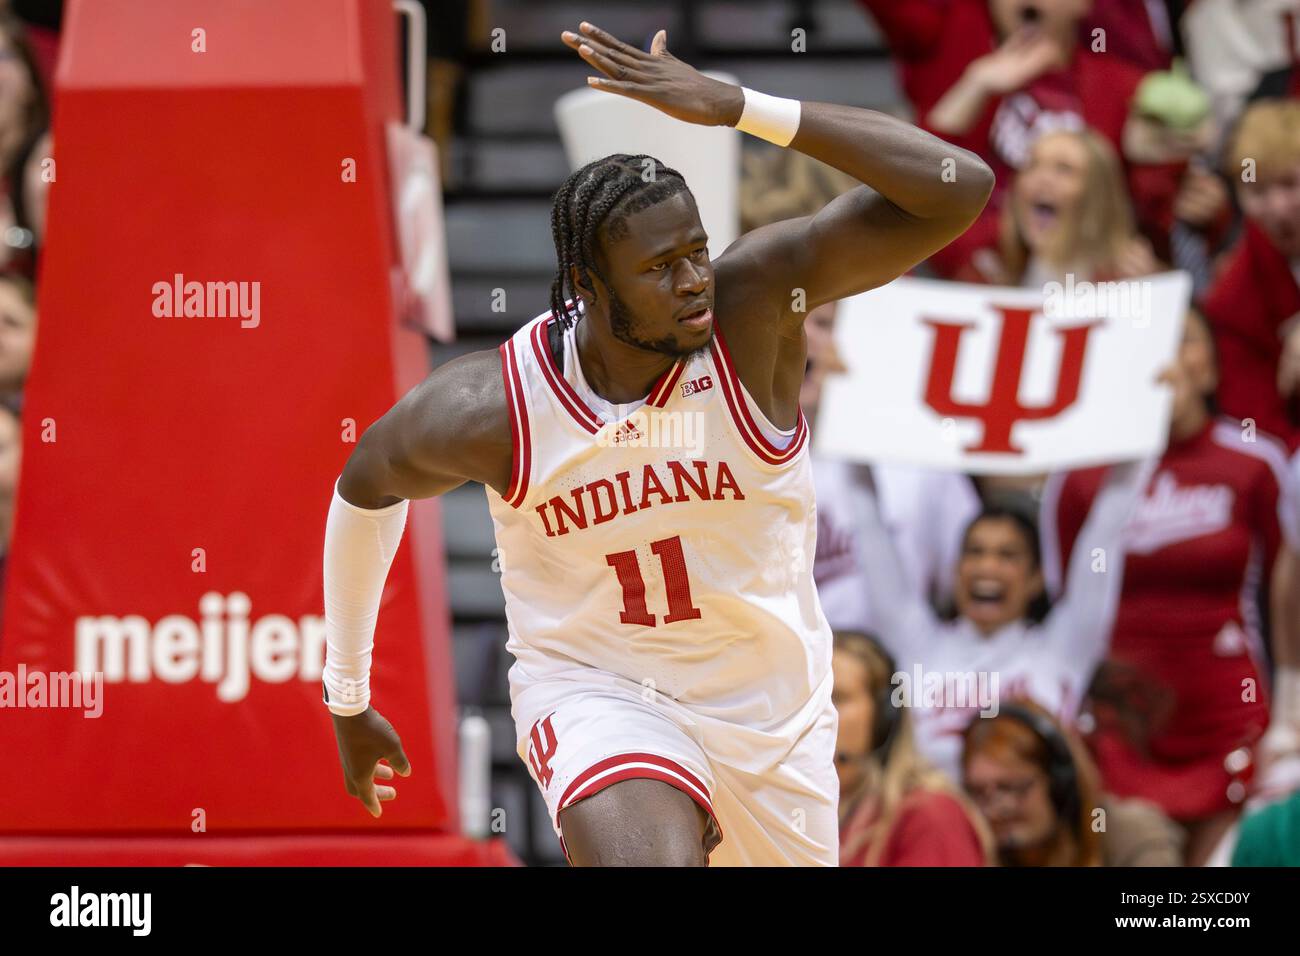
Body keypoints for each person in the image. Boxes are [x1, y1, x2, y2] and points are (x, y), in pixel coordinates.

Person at [321, 22, 994, 866]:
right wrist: (347, 695)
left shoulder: (752, 311)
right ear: (590, 289)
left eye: (697, 252)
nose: (693, 282)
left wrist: (743, 106)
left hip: (770, 719)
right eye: (661, 267)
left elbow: (956, 185)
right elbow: (366, 484)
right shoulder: (494, 407)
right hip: (595, 691)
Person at [1044, 310, 1298, 865]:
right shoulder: (1080, 475)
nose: (1167, 360)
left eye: (1182, 342)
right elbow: (1067, 611)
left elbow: (1288, 596)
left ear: (1212, 366)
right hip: (1122, 727)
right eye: (1150, 345)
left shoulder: (1256, 462)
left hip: (1232, 717)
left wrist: (1288, 713)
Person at [854, 451, 1151, 781]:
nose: (987, 567)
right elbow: (867, 525)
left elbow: (1106, 530)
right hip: (935, 823)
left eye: (1007, 555)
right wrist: (843, 433)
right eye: (975, 552)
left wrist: (1143, 439)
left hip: (1030, 827)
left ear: (1037, 578)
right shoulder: (917, 645)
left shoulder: (1063, 650)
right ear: (956, 570)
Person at [834, 631, 992, 866]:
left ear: (884, 717)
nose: (816, 714)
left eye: (836, 697)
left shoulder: (931, 815)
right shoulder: (783, 811)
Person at [962, 700, 1184, 866]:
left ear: (1060, 781)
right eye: (980, 793)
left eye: (1012, 787)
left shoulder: (1128, 832)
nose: (997, 809)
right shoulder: (977, 852)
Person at [1203, 99, 1300, 445]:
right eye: (1257, 191)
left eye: (1290, 184)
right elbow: (1254, 426)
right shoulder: (1233, 296)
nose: (1277, 209)